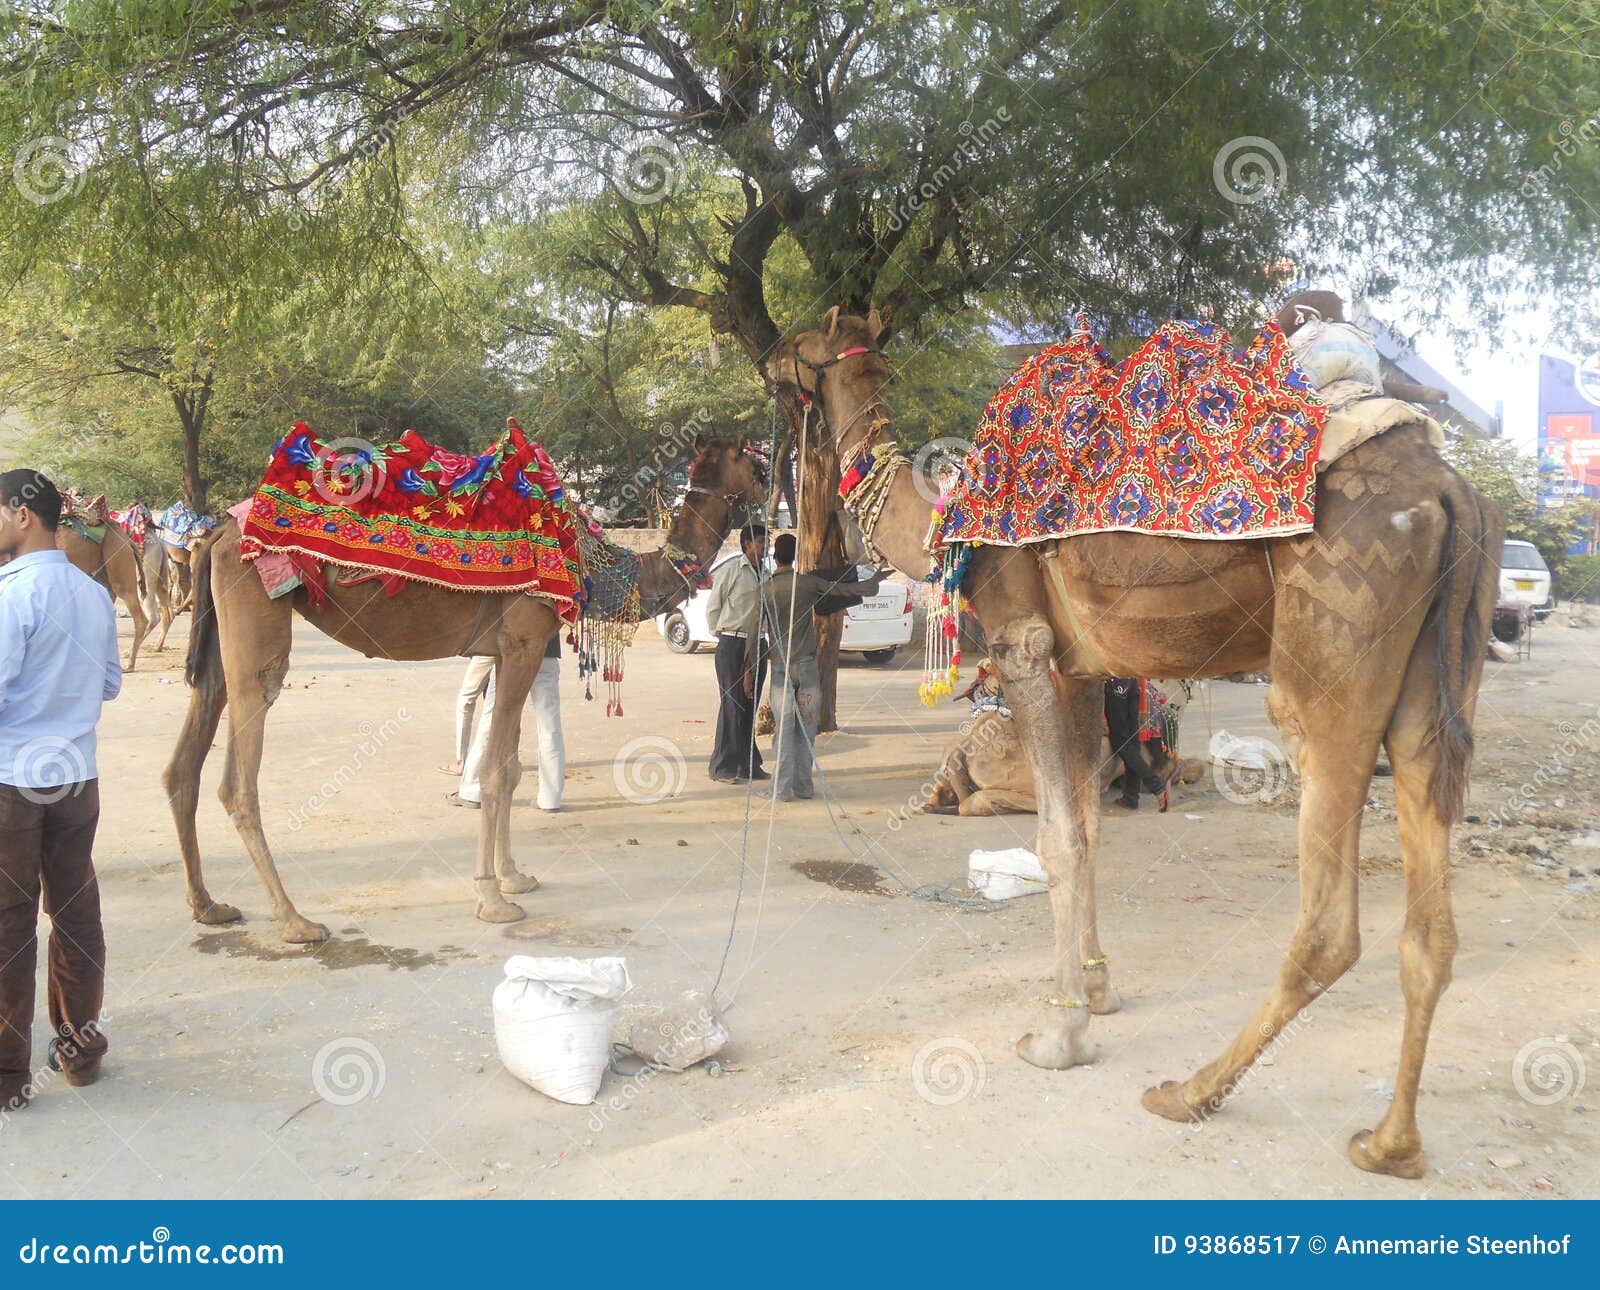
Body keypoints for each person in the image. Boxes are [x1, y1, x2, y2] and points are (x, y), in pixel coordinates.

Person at [0, 469, 122, 1112]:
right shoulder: (92, 594)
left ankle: (6, 1075)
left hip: (14, 781)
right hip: (76, 778)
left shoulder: (10, 596)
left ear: (23, 516)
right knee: (76, 917)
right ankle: (80, 1056)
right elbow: (108, 685)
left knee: (9, 923)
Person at [750, 534, 887, 802]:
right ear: (795, 556)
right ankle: (803, 786)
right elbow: (846, 590)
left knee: (785, 727)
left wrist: (749, 669)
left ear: (775, 557)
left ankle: (780, 790)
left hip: (781, 667)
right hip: (807, 666)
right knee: (806, 727)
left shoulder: (765, 589)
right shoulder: (807, 584)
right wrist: (873, 582)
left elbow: (753, 633)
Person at [447, 634, 565, 812]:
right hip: (545, 652)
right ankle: (550, 799)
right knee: (550, 724)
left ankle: (471, 791)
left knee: (491, 720)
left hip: (510, 654)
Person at [705, 523, 768, 783]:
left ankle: (748, 765)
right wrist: (727, 639)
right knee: (732, 704)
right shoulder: (731, 571)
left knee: (750, 706)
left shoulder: (766, 575)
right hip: (733, 642)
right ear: (747, 544)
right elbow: (713, 608)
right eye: (761, 542)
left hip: (758, 644)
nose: (764, 547)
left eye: (766, 542)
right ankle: (723, 767)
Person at [1104, 677, 1168, 811]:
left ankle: (1157, 786)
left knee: (1120, 740)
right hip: (1132, 680)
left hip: (1115, 677)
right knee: (1132, 741)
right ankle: (1131, 797)